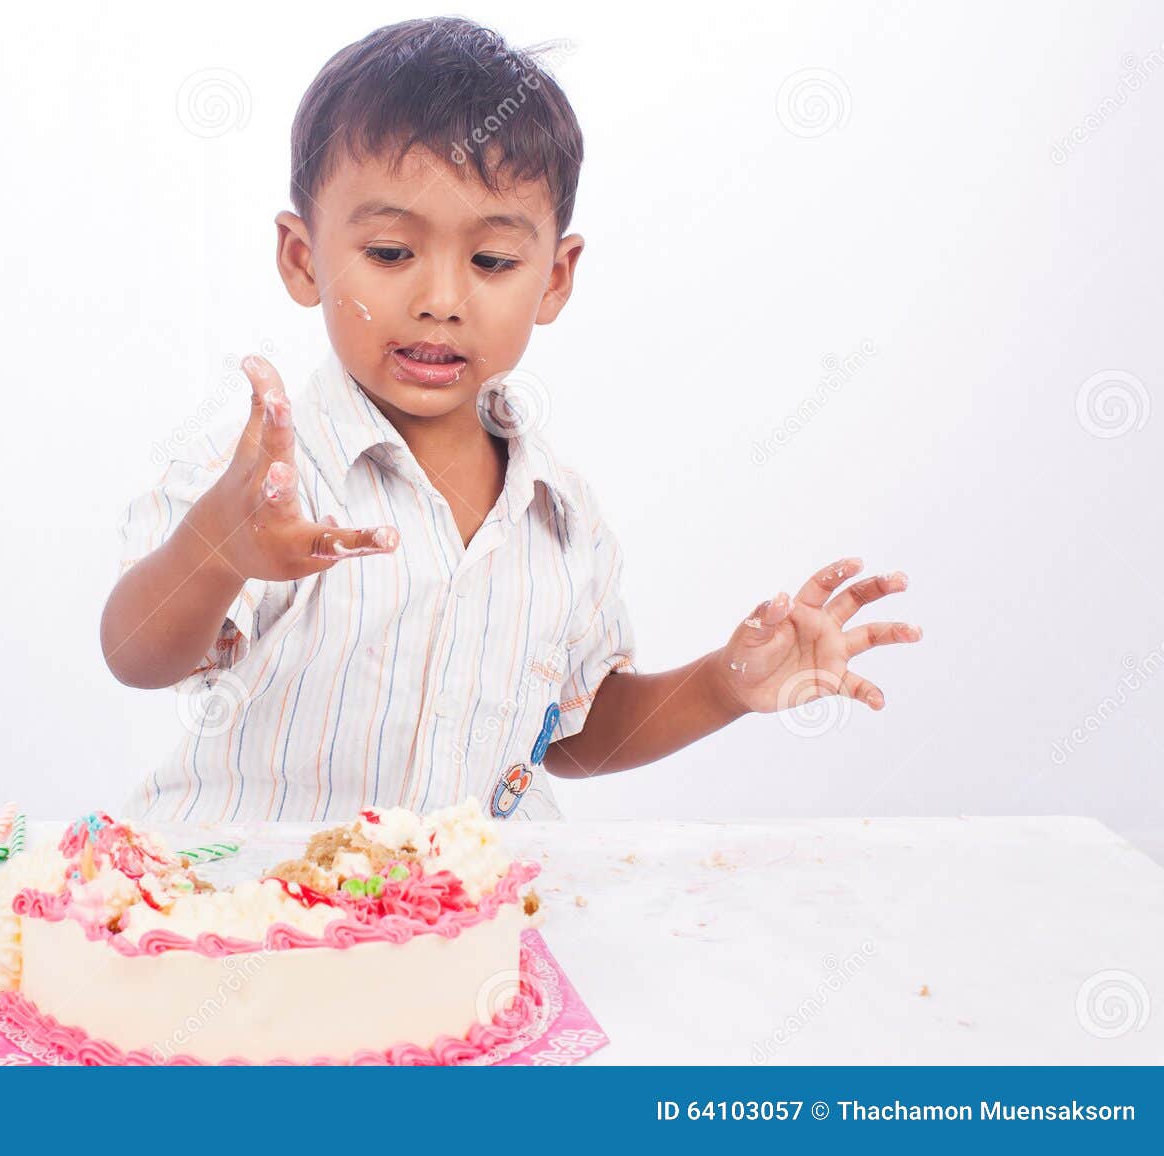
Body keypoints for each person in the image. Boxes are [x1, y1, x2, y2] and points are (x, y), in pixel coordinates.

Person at [101, 17, 922, 823]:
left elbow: (573, 736)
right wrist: (217, 550)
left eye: (492, 261)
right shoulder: (259, 480)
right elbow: (137, 654)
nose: (441, 301)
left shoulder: (559, 515)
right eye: (390, 253)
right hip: (246, 909)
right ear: (302, 258)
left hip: (462, 924)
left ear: (555, 278)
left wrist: (723, 685)